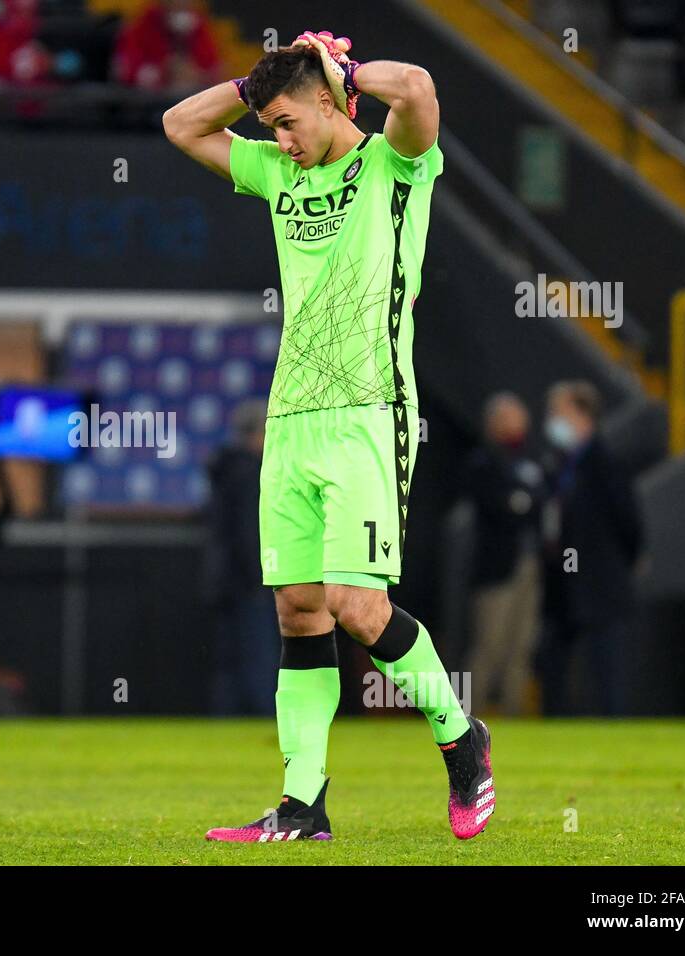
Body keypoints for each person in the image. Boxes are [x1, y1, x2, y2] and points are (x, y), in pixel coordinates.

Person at [164, 31, 494, 843]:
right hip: (291, 421)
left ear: (328, 102)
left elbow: (414, 86)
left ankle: (461, 736)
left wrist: (345, 72)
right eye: (268, 126)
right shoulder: (280, 173)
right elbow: (179, 125)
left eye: (287, 121)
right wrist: (255, 87)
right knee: (300, 611)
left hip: (369, 414)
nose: (278, 140)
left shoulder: (394, 163)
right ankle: (302, 805)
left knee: (356, 606)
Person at [535, 380, 642, 717]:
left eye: (559, 413)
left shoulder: (605, 464)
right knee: (553, 664)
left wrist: (617, 566)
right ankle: (552, 731)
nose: (552, 421)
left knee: (606, 668)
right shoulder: (557, 464)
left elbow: (630, 524)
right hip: (561, 582)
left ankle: (613, 736)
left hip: (599, 582)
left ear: (584, 416)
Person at [464, 393, 545, 716]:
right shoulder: (482, 461)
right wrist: (521, 501)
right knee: (488, 648)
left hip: (529, 563)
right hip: (496, 569)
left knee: (521, 647)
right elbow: (500, 504)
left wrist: (521, 501)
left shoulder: (531, 459)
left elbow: (535, 502)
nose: (518, 425)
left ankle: (514, 717)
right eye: (510, 418)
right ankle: (463, 720)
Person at [203, 399, 275, 716]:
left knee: (227, 659)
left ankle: (226, 720)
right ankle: (264, 717)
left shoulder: (224, 468)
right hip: (250, 580)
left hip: (221, 579)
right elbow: (251, 532)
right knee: (260, 654)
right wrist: (263, 576)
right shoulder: (251, 474)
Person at [113, 0, 221, 91]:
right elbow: (127, 72)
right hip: (148, 105)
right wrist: (164, 72)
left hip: (191, 100)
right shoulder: (144, 23)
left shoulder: (197, 24)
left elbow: (214, 69)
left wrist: (195, 74)